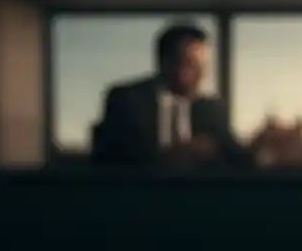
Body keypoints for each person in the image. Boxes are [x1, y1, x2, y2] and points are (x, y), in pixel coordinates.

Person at [91, 23, 249, 168]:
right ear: (165, 62)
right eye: (192, 65)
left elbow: (235, 158)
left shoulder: (212, 108)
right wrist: (165, 158)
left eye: (203, 66)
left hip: (200, 195)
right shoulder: (127, 100)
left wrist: (257, 149)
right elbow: (106, 160)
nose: (202, 75)